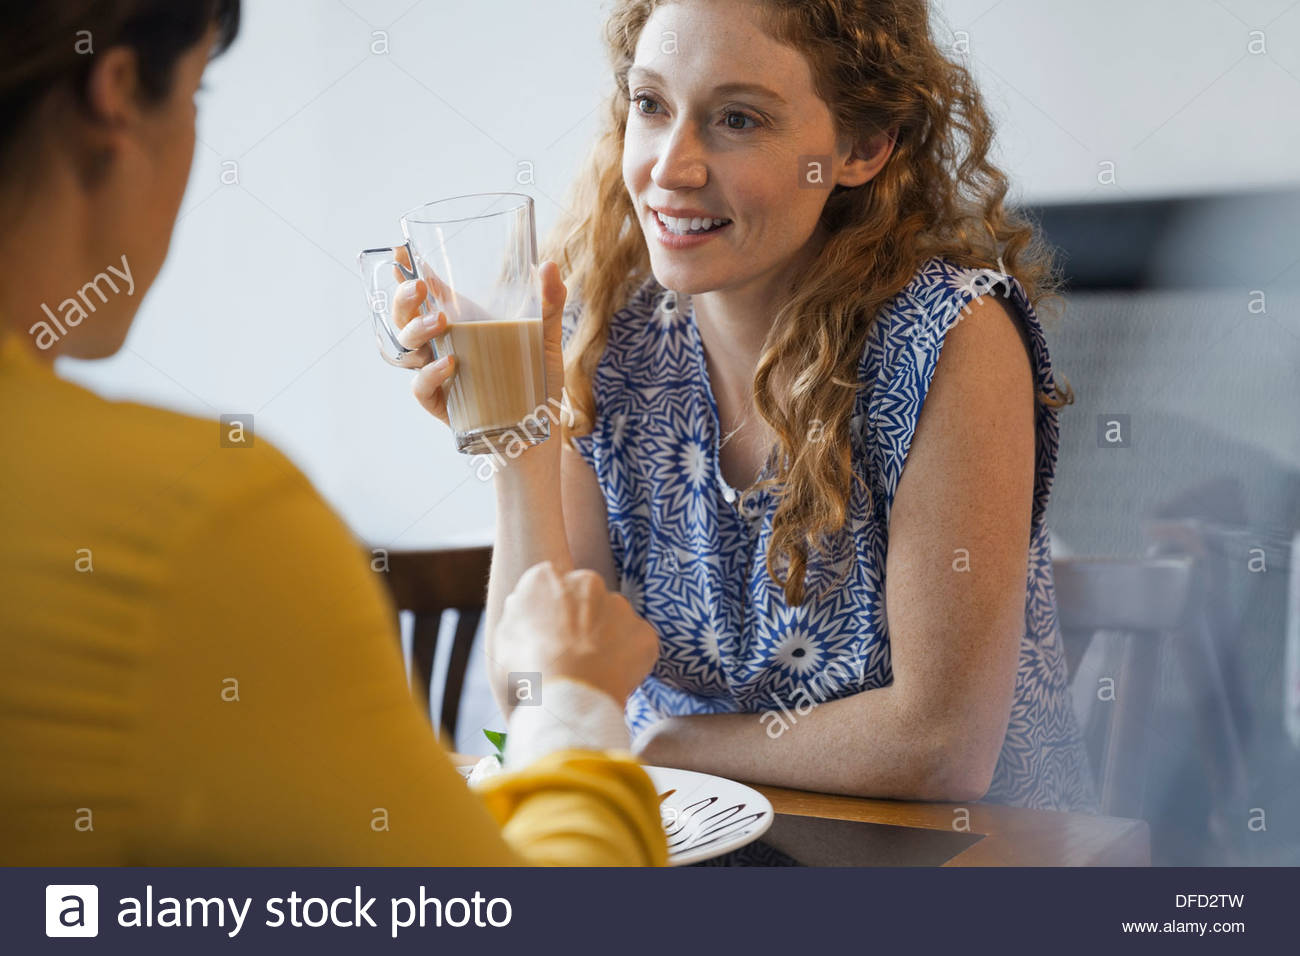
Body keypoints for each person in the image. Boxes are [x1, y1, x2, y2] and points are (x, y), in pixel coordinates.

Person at [0, 0, 666, 866]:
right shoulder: (204, 521)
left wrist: (516, 438)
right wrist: (574, 705)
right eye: (200, 93)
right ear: (118, 93)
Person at [394, 0, 1100, 812]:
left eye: (737, 119)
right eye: (651, 105)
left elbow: (939, 747)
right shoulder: (605, 335)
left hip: (958, 864)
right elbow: (534, 689)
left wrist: (666, 743)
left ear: (863, 148)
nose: (671, 166)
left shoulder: (950, 336)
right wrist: (518, 441)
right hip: (693, 847)